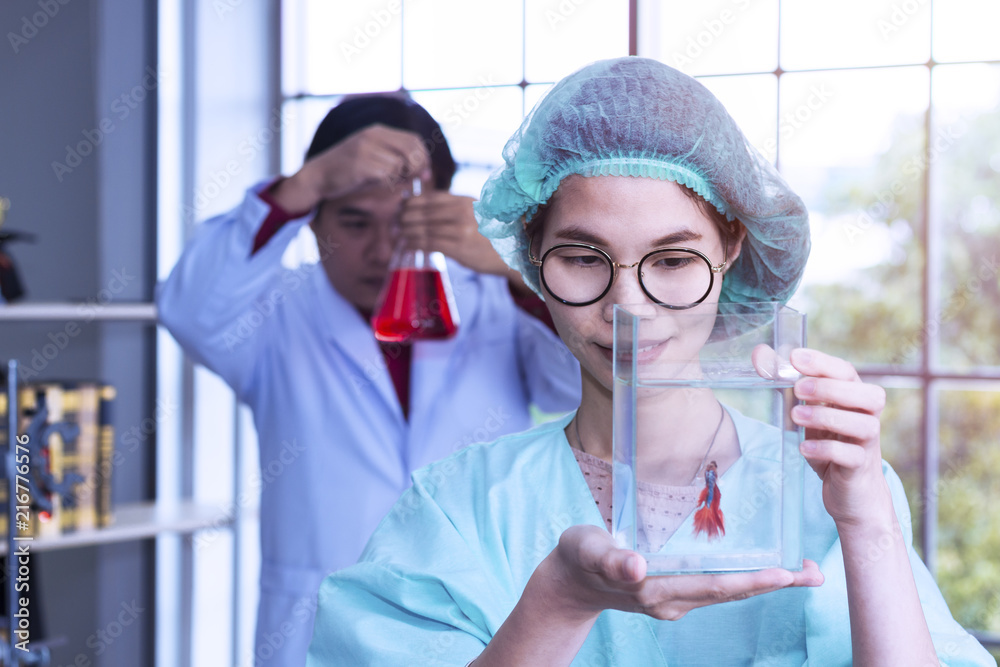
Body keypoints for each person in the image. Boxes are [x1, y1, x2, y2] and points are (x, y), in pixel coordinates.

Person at [306, 59, 996, 666]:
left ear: (731, 248)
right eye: (584, 258)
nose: (629, 307)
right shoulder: (458, 508)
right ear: (532, 258)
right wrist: (557, 602)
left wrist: (869, 522)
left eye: (671, 260)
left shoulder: (829, 488)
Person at [156, 95, 581, 666]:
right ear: (313, 217)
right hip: (315, 636)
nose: (383, 250)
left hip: (478, 624)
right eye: (355, 223)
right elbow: (188, 308)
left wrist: (521, 272)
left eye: (407, 222)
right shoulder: (274, 316)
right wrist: (307, 181)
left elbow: (576, 386)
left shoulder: (499, 300)